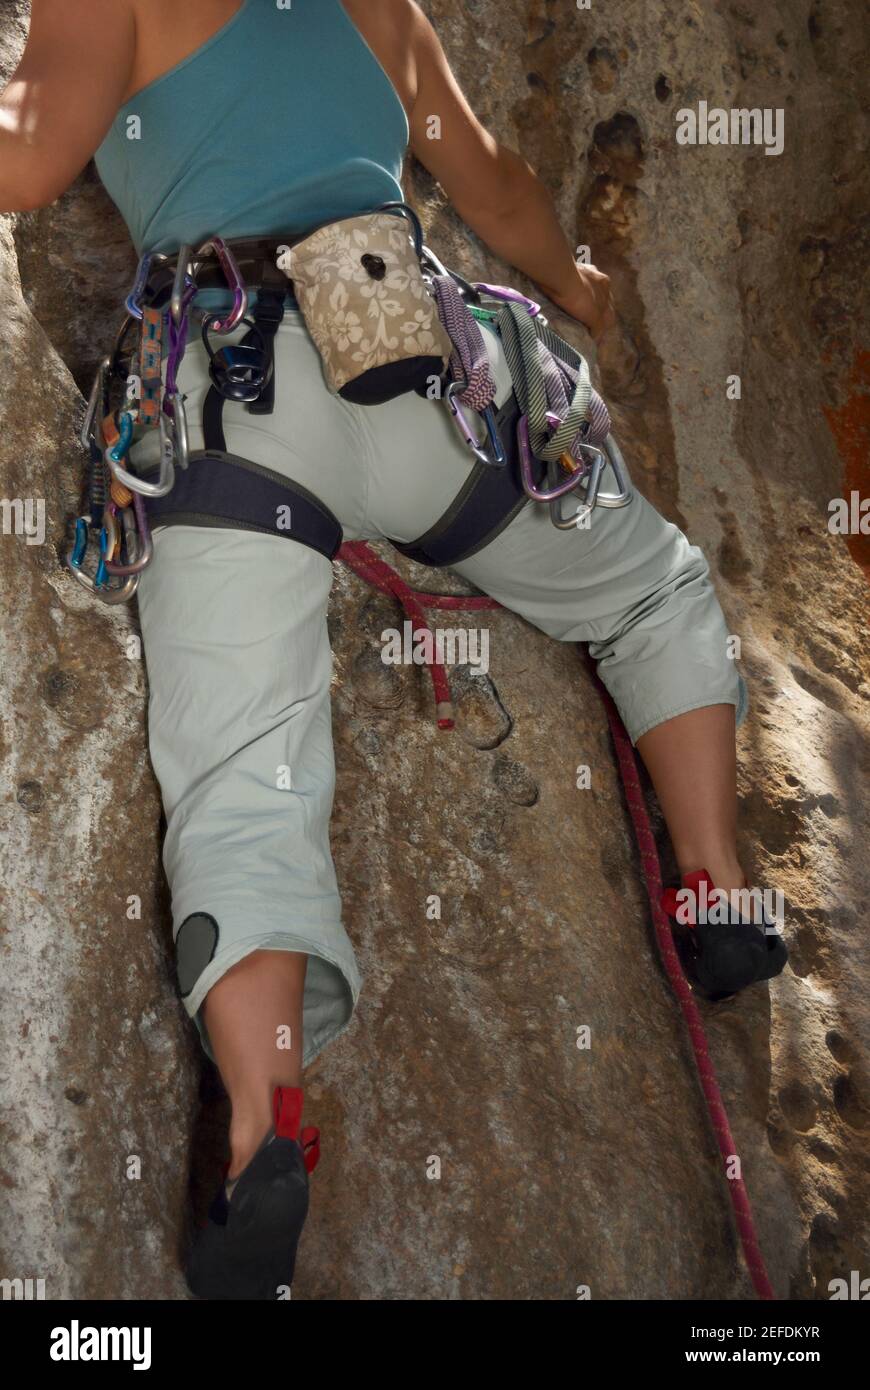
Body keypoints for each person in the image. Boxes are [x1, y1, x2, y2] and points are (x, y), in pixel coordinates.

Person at [0, 0, 785, 1300]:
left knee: (242, 767)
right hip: (421, 377)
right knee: (651, 583)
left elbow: (26, 159)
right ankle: (712, 884)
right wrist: (581, 284)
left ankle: (267, 1125)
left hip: (239, 409)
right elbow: (502, 190)